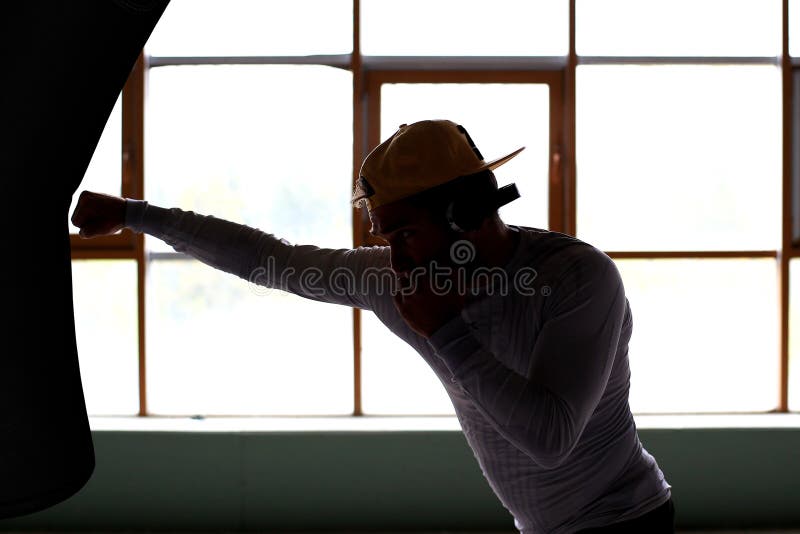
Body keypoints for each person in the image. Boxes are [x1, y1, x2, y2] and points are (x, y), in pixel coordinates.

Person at [71, 119, 674, 533]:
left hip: (626, 521)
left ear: (466, 214)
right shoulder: (400, 281)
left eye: (407, 233)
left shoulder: (576, 279)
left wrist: (446, 332)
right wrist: (134, 215)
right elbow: (272, 261)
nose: (399, 258)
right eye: (388, 238)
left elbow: (550, 439)